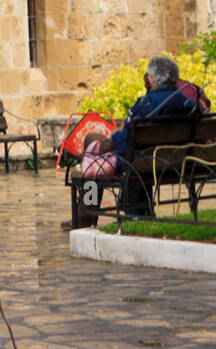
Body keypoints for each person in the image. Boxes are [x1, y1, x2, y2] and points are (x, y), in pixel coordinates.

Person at [62, 55, 198, 228]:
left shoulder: (144, 104)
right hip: (176, 160)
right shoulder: (189, 103)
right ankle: (85, 214)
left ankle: (85, 216)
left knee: (92, 146)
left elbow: (127, 141)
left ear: (151, 78)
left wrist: (114, 138)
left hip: (138, 161)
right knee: (95, 144)